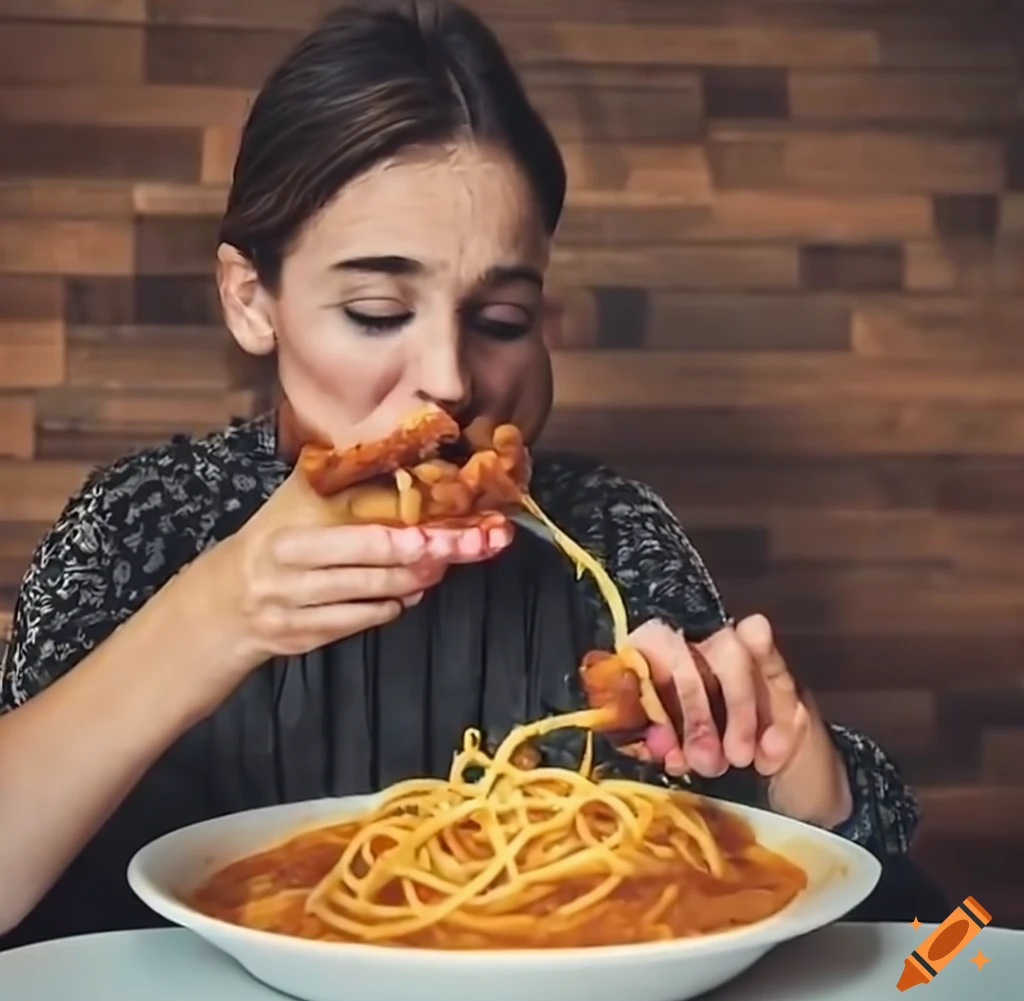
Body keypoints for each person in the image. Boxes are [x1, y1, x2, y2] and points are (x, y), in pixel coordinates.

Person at [0, 0, 943, 947]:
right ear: (254, 301)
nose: (450, 379)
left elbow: (937, 949)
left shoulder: (605, 533)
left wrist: (794, 766)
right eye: (376, 310)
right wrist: (213, 613)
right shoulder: (142, 521)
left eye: (500, 321)